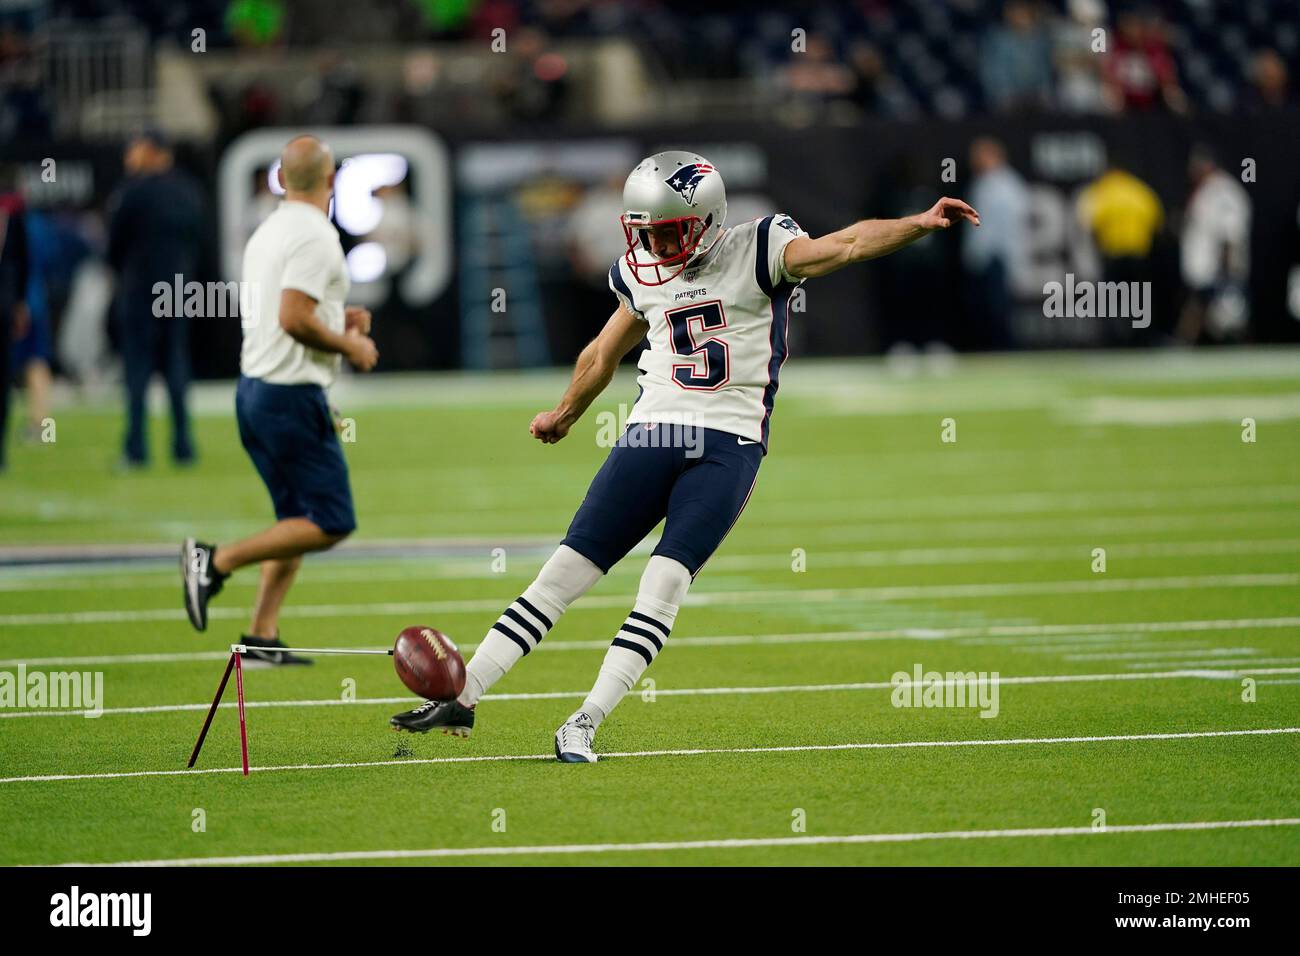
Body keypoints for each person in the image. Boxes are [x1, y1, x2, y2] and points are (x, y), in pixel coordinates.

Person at [389, 150, 979, 761]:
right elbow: (601, 352)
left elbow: (848, 244)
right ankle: (466, 692)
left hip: (728, 444)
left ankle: (585, 721)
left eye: (667, 231)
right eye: (644, 232)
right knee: (564, 571)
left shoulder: (760, 247)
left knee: (663, 581)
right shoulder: (641, 269)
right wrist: (564, 414)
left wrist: (915, 222)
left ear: (706, 220)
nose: (654, 245)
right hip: (652, 432)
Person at [180, 135, 379, 665]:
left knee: (294, 515)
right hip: (287, 394)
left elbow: (283, 311)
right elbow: (293, 318)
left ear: (281, 180)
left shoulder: (270, 229)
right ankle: (214, 561)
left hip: (258, 390)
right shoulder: (316, 235)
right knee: (331, 520)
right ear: (331, 179)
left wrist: (339, 320)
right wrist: (351, 344)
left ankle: (261, 635)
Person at [106, 130, 206, 468]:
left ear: (153, 151)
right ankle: (183, 446)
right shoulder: (189, 190)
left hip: (140, 290)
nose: (130, 156)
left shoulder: (132, 192)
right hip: (179, 289)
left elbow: (114, 246)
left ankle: (136, 448)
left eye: (136, 149)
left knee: (138, 369)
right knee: (177, 365)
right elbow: (199, 238)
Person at [962, 137, 1029, 350]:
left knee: (998, 307)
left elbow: (1009, 225)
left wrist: (1012, 255)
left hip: (998, 256)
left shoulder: (1007, 185)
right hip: (984, 256)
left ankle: (1003, 349)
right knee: (983, 308)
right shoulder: (982, 183)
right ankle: (989, 348)